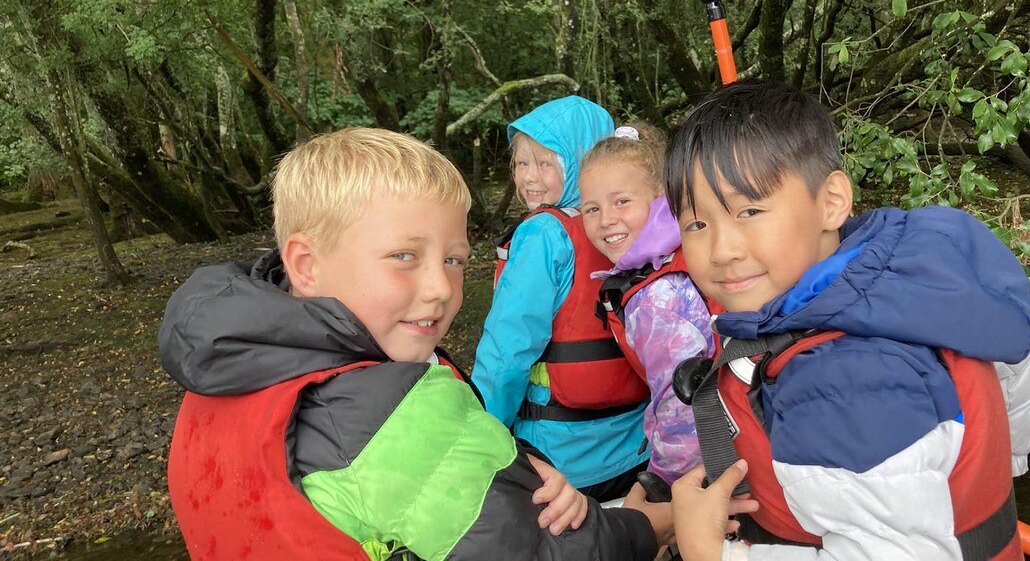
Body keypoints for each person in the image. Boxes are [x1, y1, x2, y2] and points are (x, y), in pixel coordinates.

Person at [159, 128, 668, 560]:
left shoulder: (229, 364)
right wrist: (653, 526)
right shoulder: (385, 415)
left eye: (453, 260)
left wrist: (514, 462)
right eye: (404, 256)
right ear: (306, 265)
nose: (441, 288)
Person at [662, 80, 1030, 561]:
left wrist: (709, 552)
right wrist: (992, 466)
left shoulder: (840, 381)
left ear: (832, 201)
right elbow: (1014, 365)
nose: (722, 251)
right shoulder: (923, 274)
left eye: (750, 210)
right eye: (697, 223)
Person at [473, 97, 650, 501]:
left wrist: (482, 438)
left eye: (545, 163)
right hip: (639, 449)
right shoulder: (631, 221)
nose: (529, 177)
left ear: (582, 160)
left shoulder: (543, 234)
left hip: (560, 459)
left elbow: (506, 351)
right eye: (521, 163)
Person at [578, 123, 713, 485]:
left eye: (622, 201)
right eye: (591, 208)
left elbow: (683, 411)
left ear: (660, 197)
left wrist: (663, 484)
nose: (606, 219)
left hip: (711, 467)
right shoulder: (677, 255)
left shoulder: (657, 299)